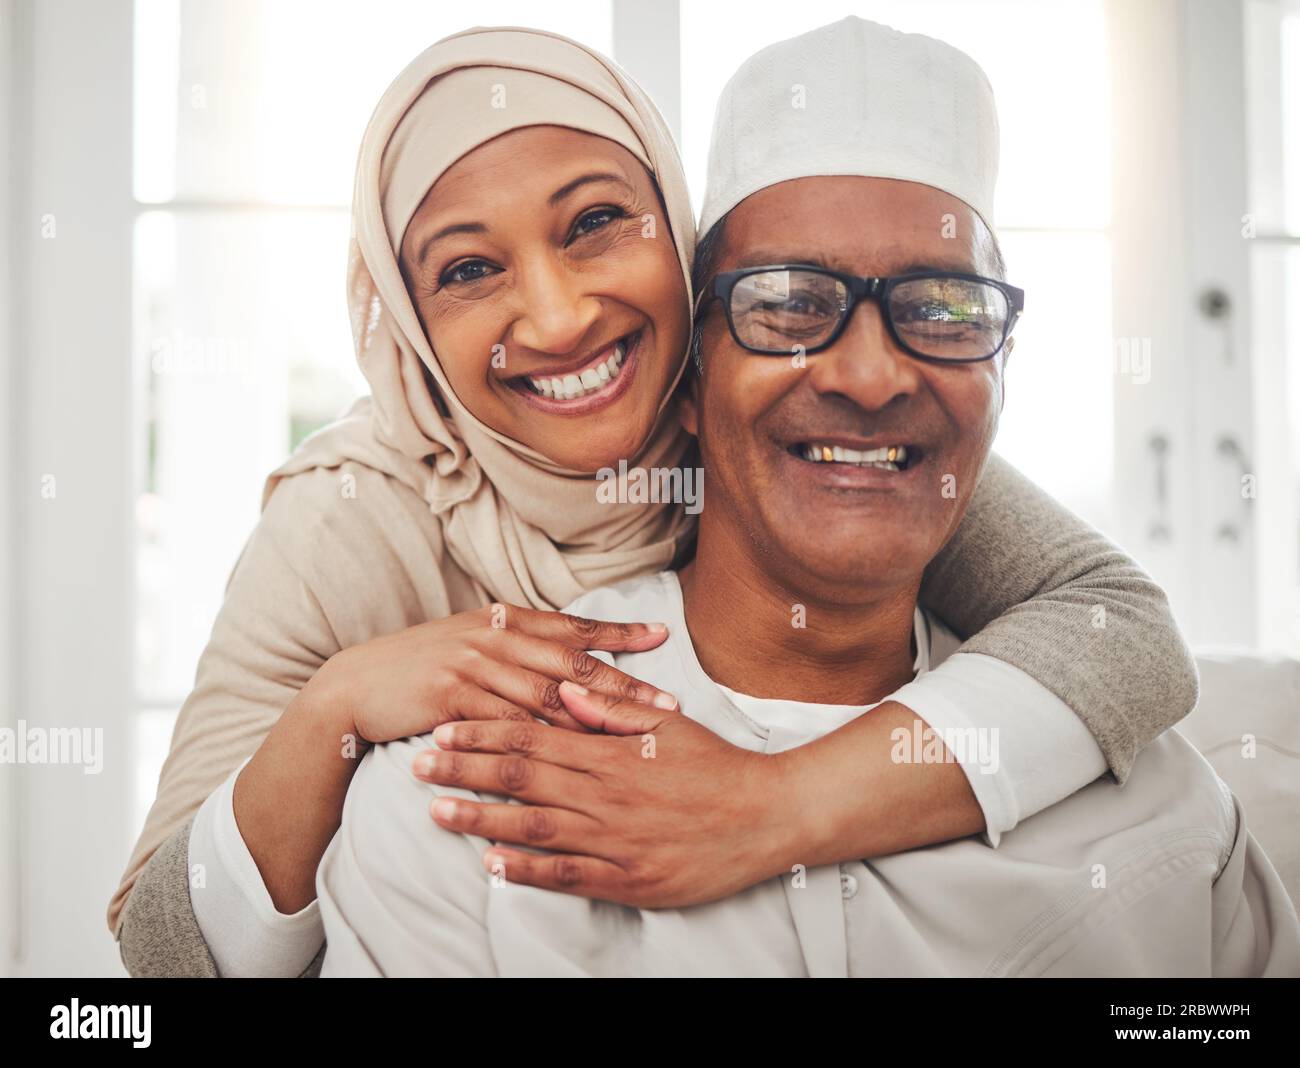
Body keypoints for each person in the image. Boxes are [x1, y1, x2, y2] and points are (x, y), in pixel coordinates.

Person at [112, 25, 1198, 977]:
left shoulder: (809, 427)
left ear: (682, 255)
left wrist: (768, 809)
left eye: (592, 224)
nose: (556, 315)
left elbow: (1118, 632)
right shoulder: (356, 516)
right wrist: (337, 706)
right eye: (465, 271)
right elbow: (162, 953)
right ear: (407, 319)